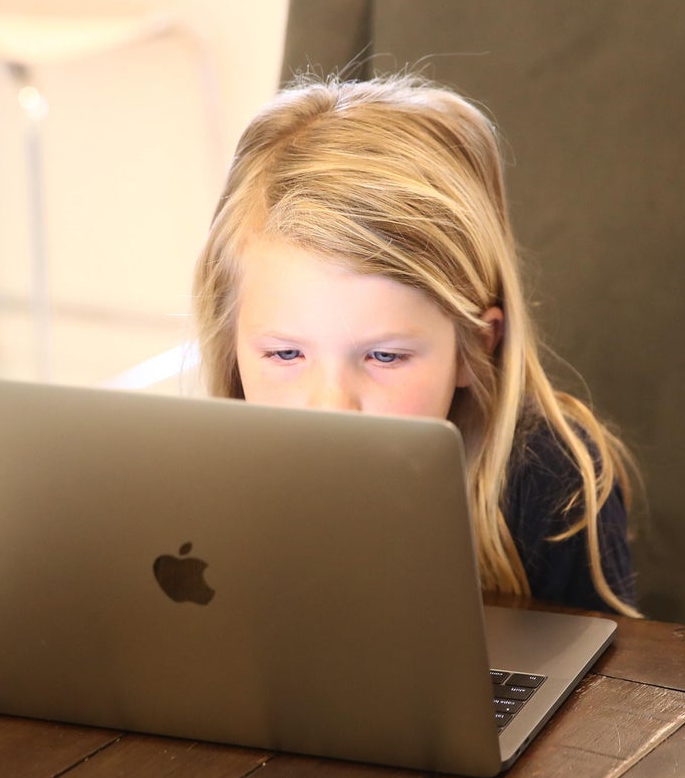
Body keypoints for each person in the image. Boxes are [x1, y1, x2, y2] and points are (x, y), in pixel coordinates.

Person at [192, 74, 638, 617]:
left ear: (475, 346)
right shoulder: (198, 480)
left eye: (384, 356)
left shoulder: (553, 484)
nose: (332, 406)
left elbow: (610, 692)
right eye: (286, 355)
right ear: (231, 343)